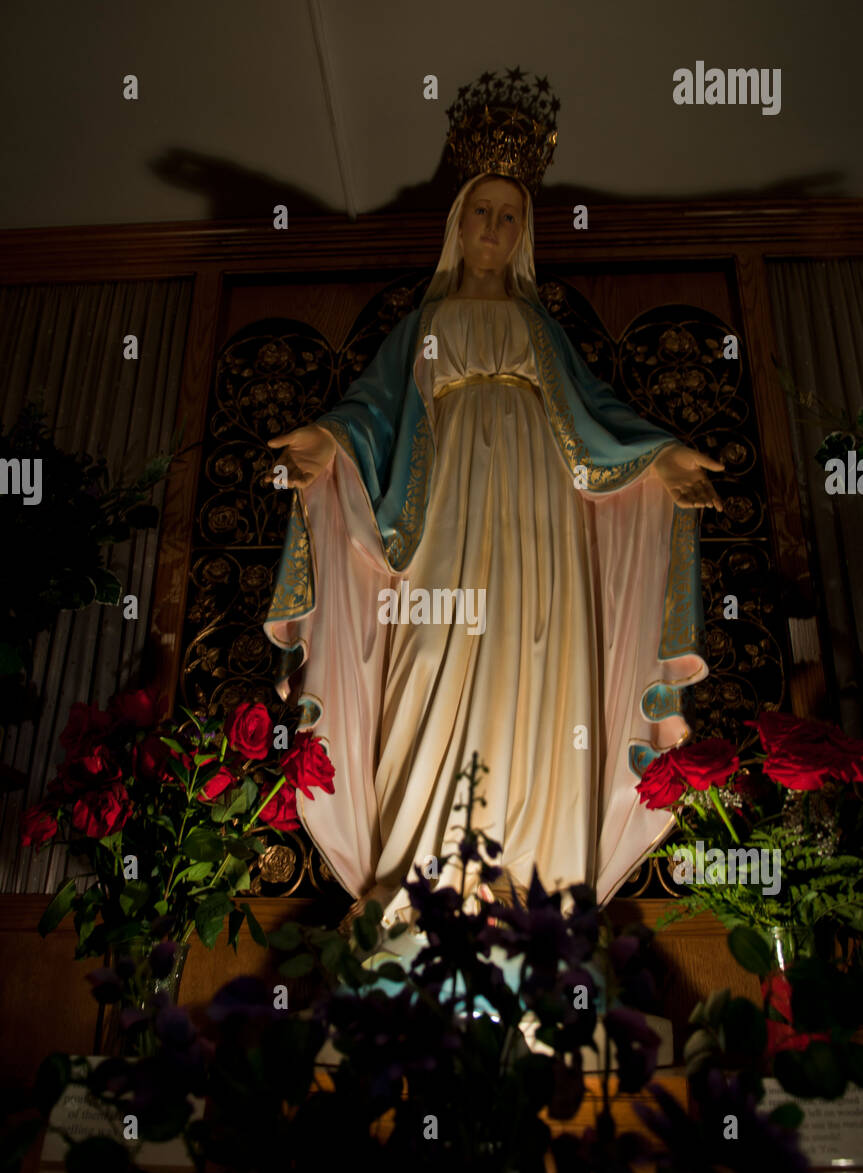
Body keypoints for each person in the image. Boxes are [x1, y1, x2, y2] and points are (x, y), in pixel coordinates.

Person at [262, 171, 723, 941]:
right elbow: (372, 409)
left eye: (510, 216)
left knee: (535, 660)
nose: (493, 226)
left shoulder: (539, 330)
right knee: (429, 655)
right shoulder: (426, 323)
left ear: (523, 234)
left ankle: (534, 882)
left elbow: (596, 415)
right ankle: (414, 876)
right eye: (481, 210)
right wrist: (328, 440)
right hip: (442, 507)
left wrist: (662, 458)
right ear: (456, 222)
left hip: (540, 510)